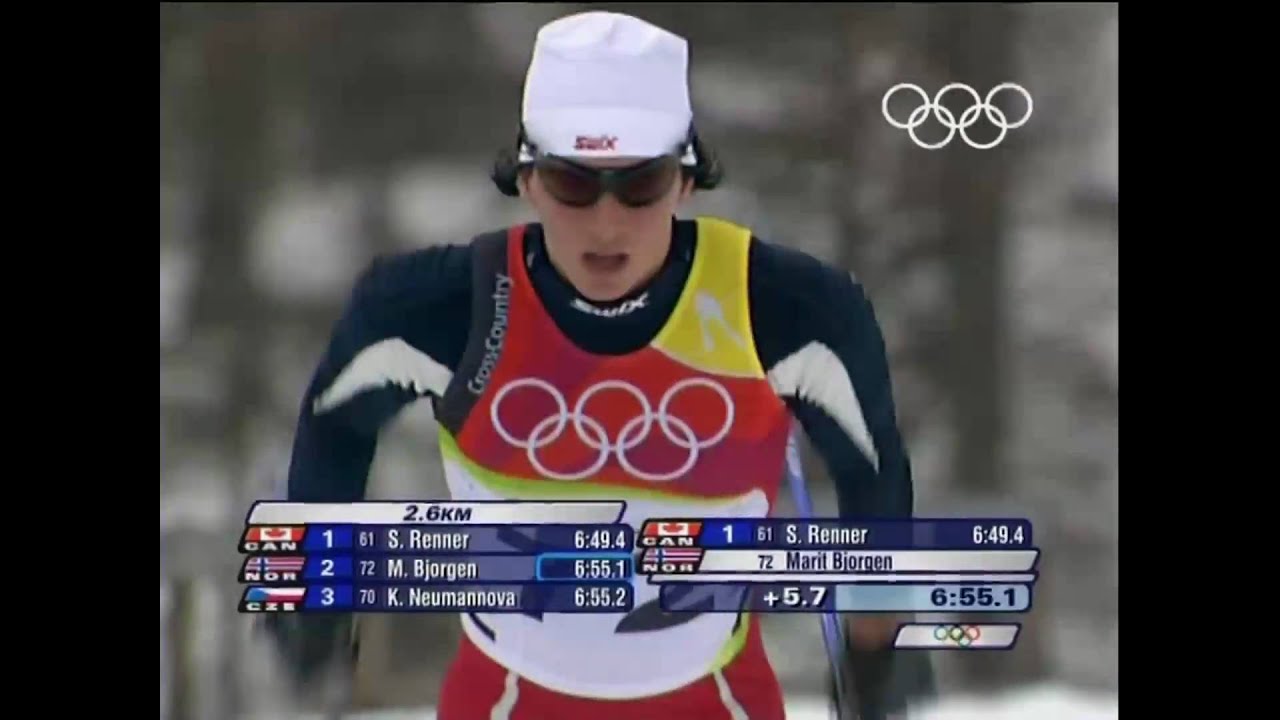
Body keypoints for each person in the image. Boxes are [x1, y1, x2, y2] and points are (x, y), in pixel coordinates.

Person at [266, 10, 934, 720]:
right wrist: (315, 596)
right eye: (574, 184)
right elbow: (335, 427)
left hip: (715, 700)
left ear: (685, 181)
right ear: (527, 179)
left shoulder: (788, 309)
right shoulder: (439, 307)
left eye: (639, 185)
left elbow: (871, 470)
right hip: (505, 700)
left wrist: (875, 645)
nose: (607, 224)